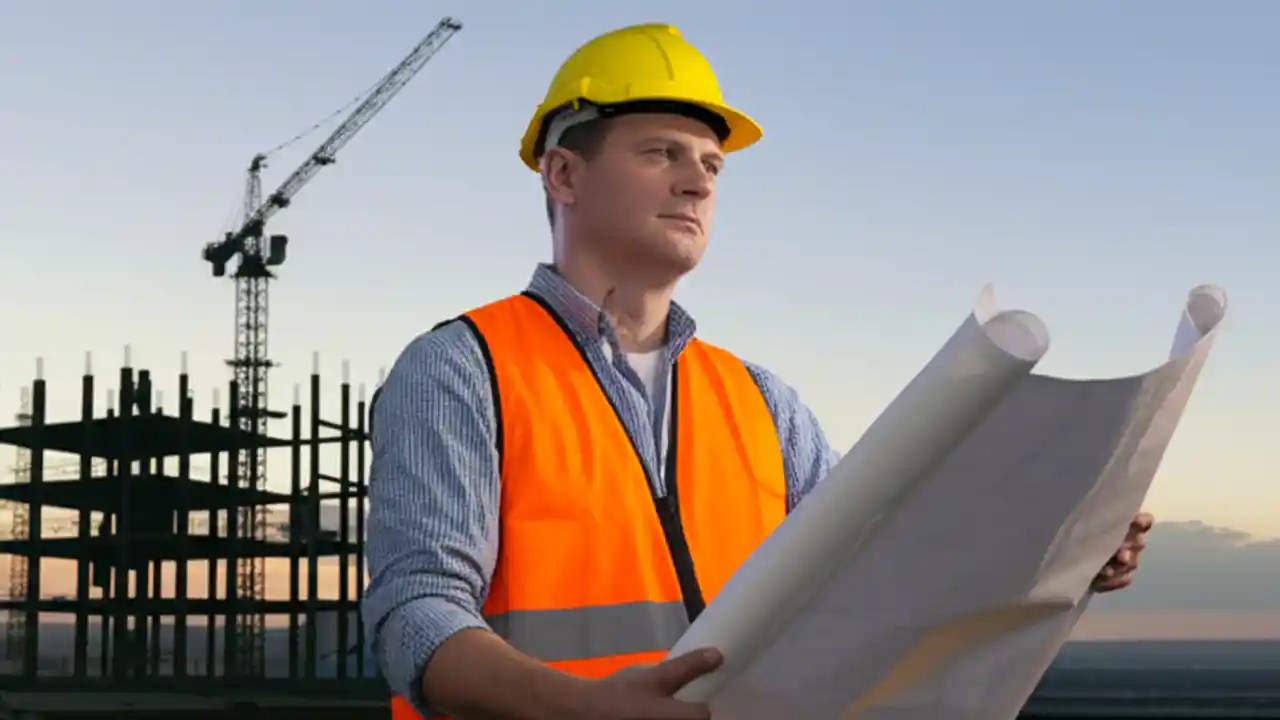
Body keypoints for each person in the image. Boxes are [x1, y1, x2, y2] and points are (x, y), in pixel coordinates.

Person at [362, 22, 1155, 720]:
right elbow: (414, 615)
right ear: (563, 176)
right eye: (660, 153)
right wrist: (582, 709)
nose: (698, 179)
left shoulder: (759, 401)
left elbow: (884, 577)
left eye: (711, 163)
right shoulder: (463, 370)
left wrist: (1068, 548)